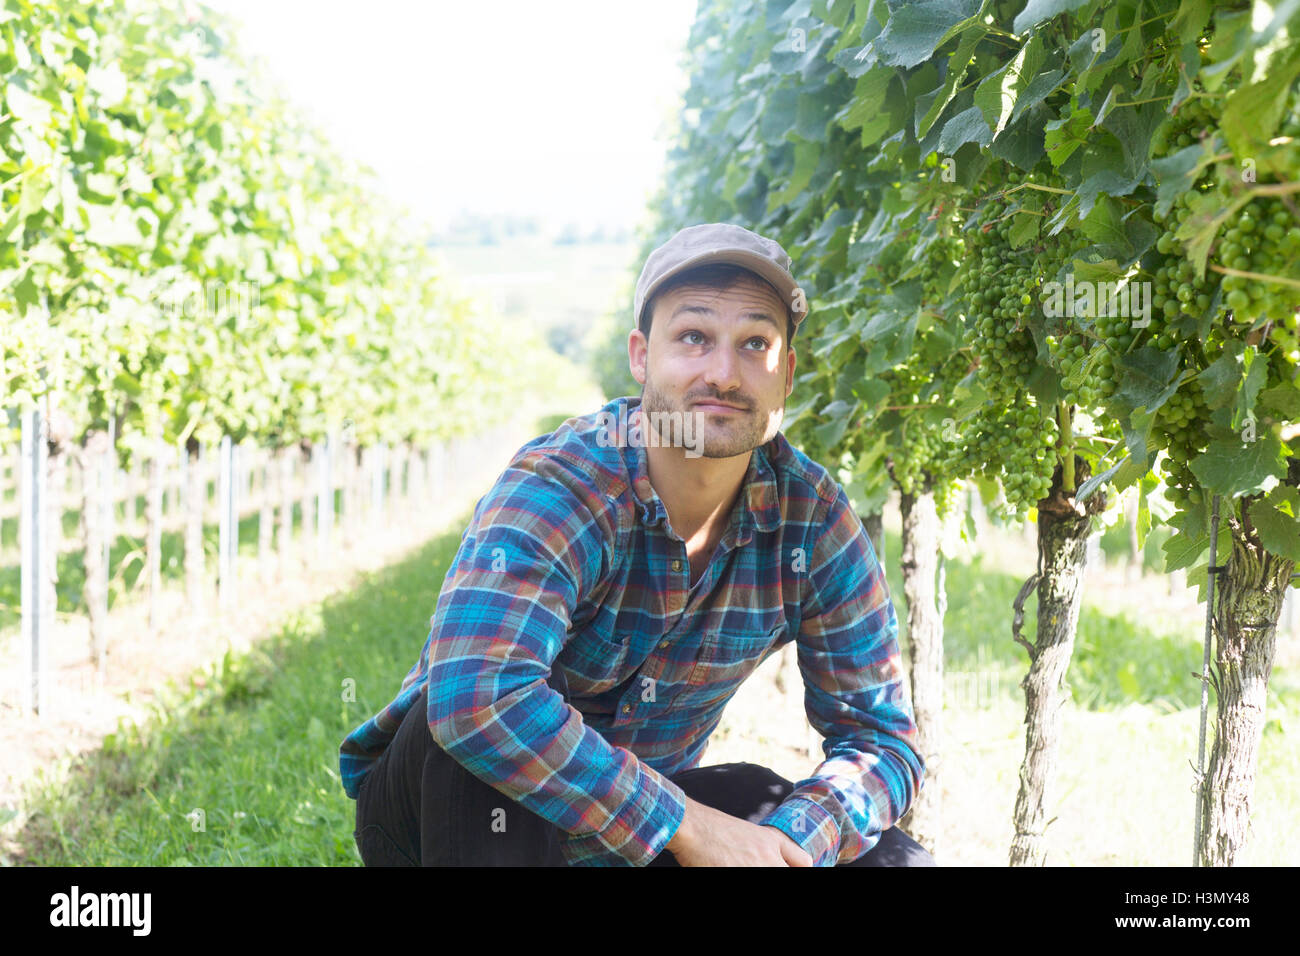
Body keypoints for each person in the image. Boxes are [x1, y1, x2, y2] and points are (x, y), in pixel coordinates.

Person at [339, 222, 934, 867]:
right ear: (641, 356)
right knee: (474, 747)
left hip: (635, 831)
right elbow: (476, 697)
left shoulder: (813, 522)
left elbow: (881, 743)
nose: (725, 374)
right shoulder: (562, 486)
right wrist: (693, 828)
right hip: (445, 814)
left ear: (786, 374)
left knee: (883, 855)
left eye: (755, 343)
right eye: (693, 337)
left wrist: (790, 842)